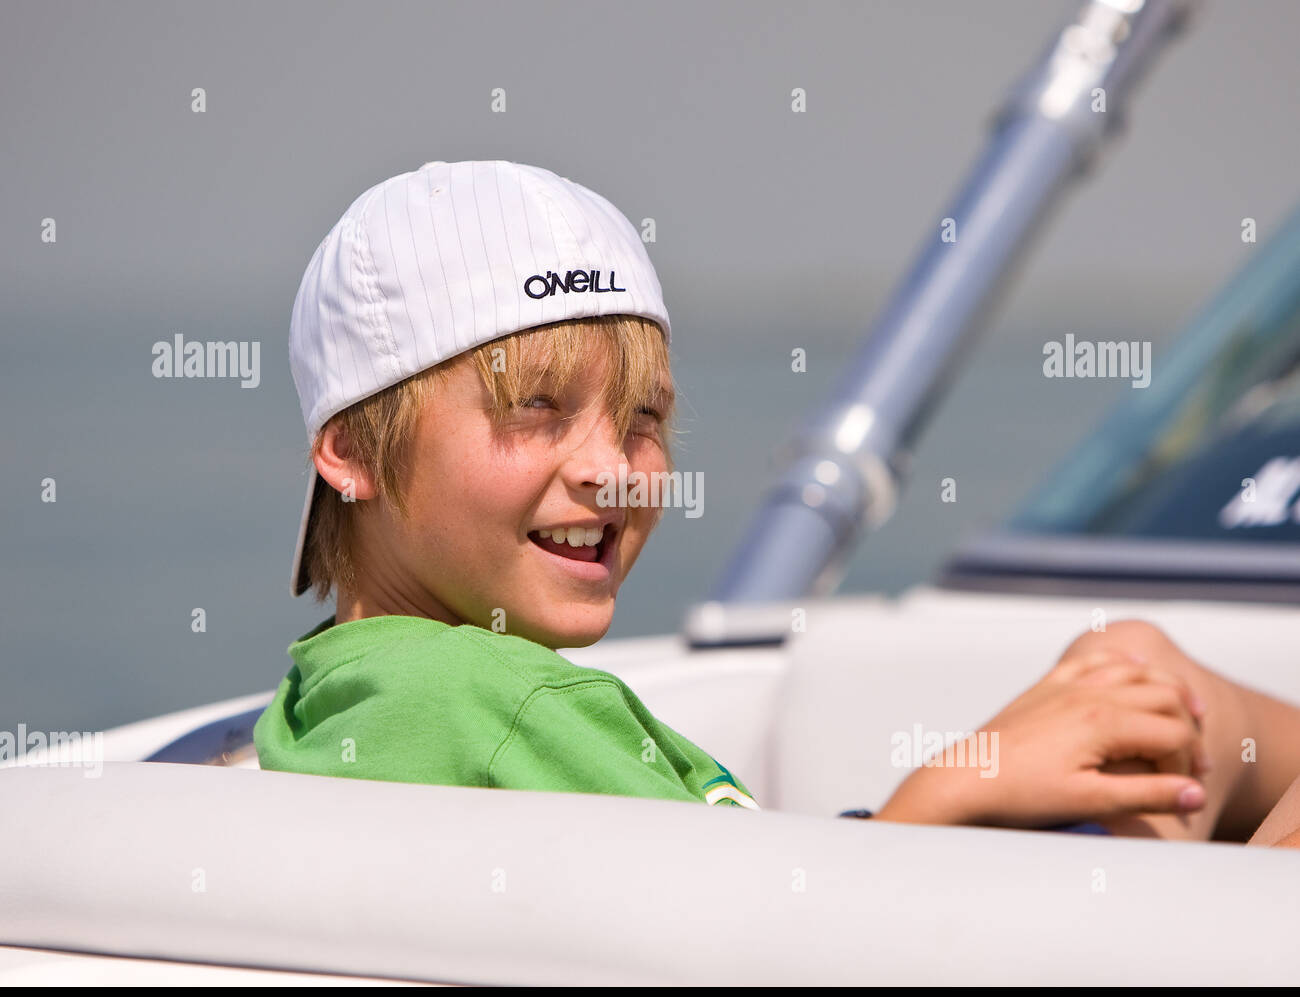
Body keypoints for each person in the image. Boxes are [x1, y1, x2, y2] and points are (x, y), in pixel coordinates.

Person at [253, 160, 1300, 845]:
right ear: (350, 452)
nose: (612, 469)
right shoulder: (482, 703)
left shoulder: (352, 691)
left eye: (641, 420)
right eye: (534, 407)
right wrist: (951, 793)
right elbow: (766, 954)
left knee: (1134, 680)